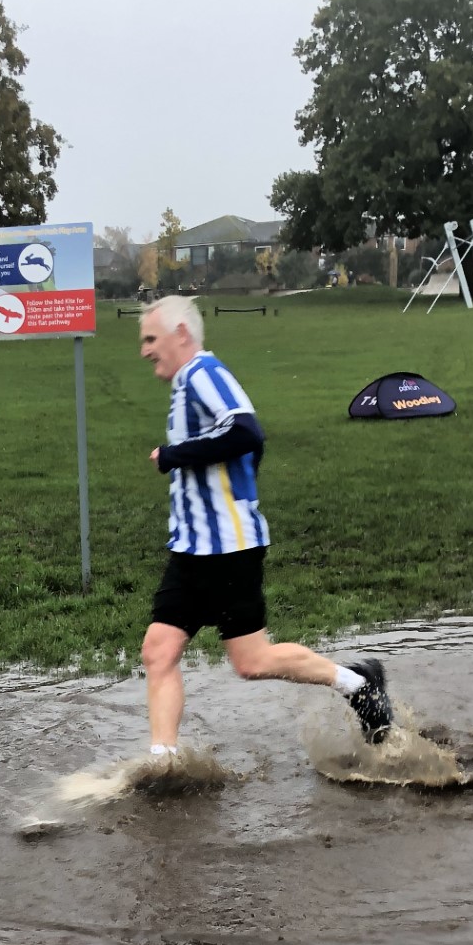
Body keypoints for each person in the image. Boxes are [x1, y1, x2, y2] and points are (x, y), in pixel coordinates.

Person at [137, 296, 391, 757]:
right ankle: (163, 763)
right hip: (191, 549)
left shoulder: (202, 373)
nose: (144, 350)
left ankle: (359, 684)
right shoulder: (184, 384)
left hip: (228, 549)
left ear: (181, 335)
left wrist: (172, 456)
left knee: (251, 662)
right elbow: (243, 447)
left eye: (150, 339)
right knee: (158, 651)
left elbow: (246, 432)